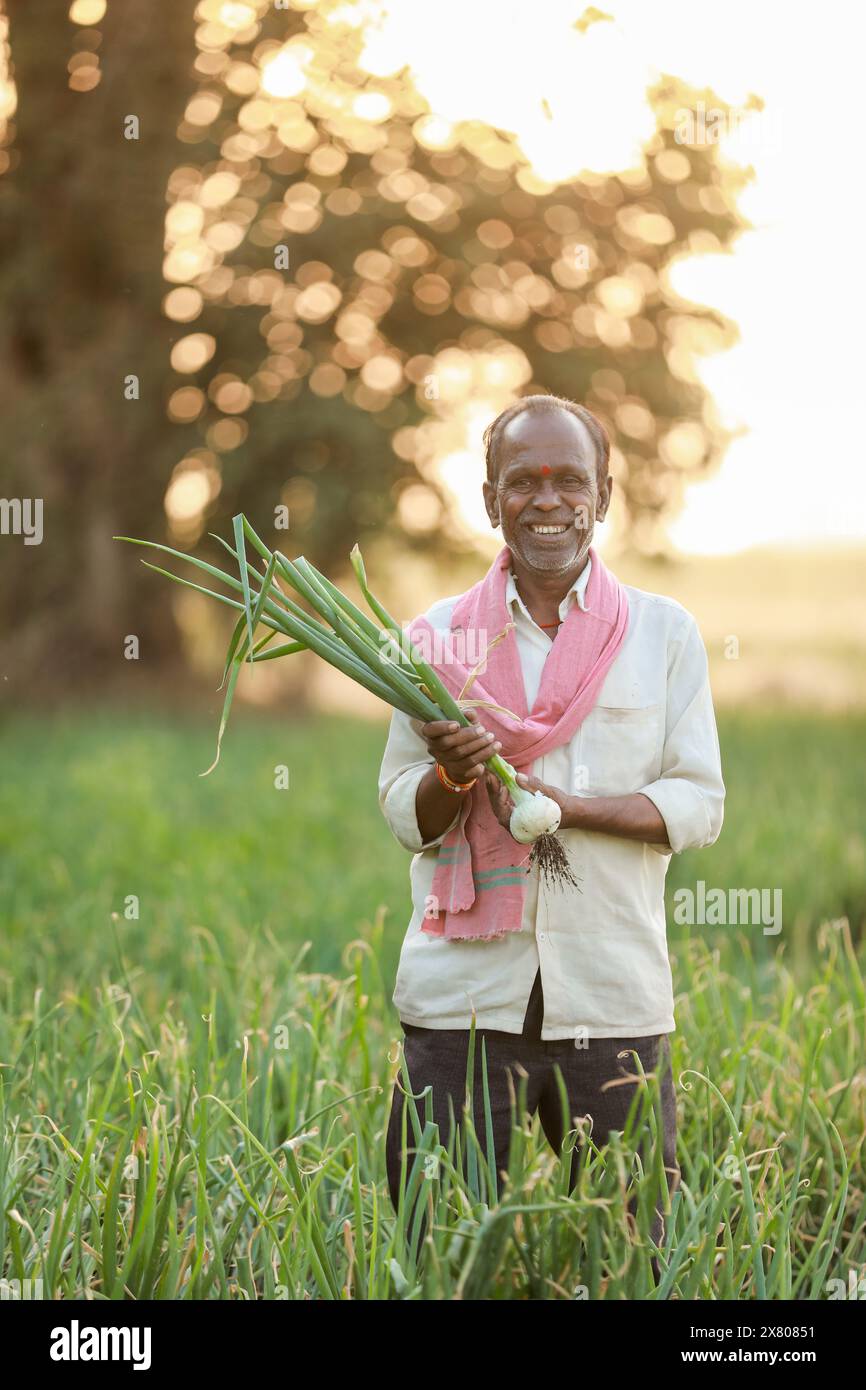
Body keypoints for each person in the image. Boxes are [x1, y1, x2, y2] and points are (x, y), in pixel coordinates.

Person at [378, 394, 725, 1256]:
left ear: (603, 496)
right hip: (462, 998)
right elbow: (401, 809)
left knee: (635, 1247)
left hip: (612, 994)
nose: (547, 500)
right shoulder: (436, 639)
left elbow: (697, 804)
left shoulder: (663, 634)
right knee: (434, 1242)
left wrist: (568, 812)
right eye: (522, 482)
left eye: (570, 480)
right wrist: (457, 776)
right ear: (490, 500)